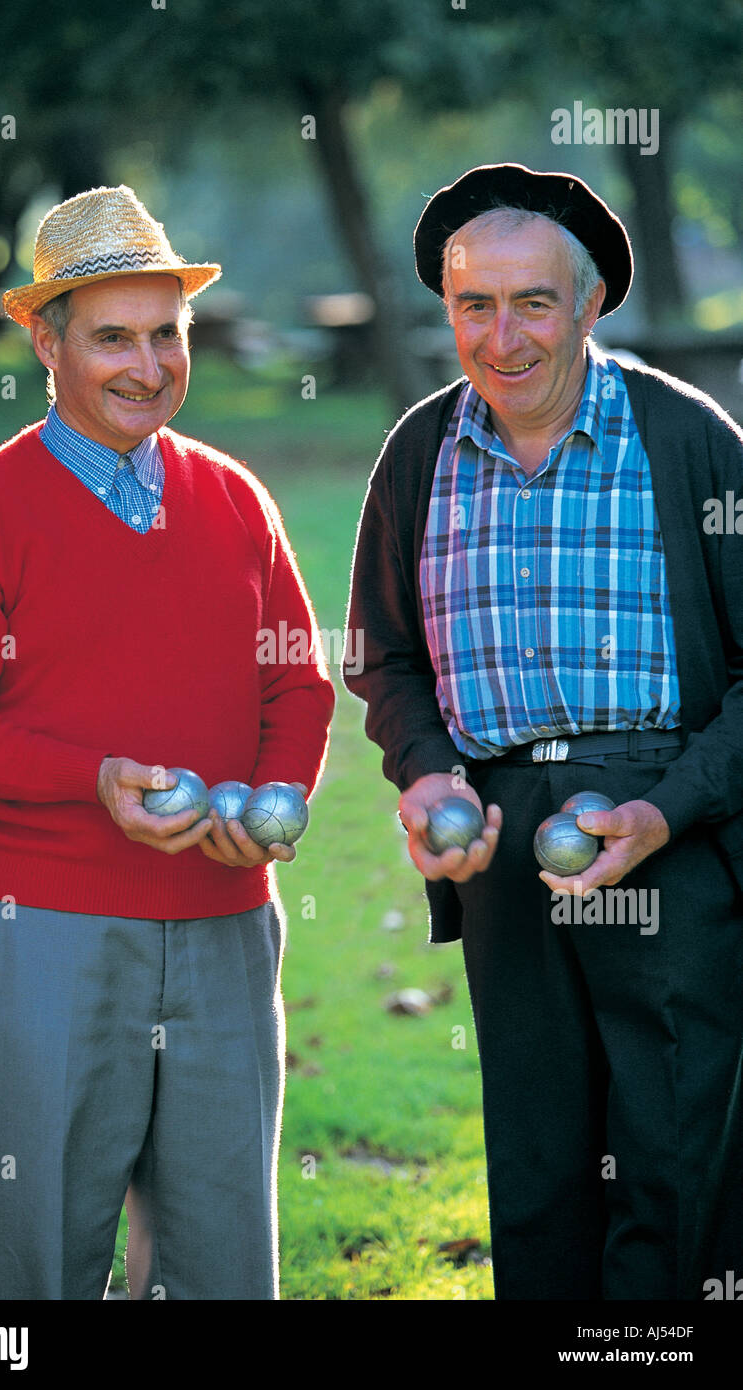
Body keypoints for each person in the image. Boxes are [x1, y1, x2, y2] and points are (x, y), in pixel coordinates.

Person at [0, 183, 335, 1300]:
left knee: (225, 1258)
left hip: (227, 930)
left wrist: (271, 803)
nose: (147, 366)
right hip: (51, 929)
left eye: (165, 334)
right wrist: (92, 781)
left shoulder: (233, 496)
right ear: (45, 340)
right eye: (112, 339)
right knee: (43, 1256)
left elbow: (298, 679)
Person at [344, 162, 743, 1301]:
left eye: (532, 302)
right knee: (534, 1167)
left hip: (668, 832)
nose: (501, 334)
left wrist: (662, 809)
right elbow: (382, 654)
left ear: (587, 305)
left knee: (672, 1164)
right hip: (500, 848)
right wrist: (425, 777)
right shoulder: (420, 453)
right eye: (474, 304)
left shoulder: (687, 443)